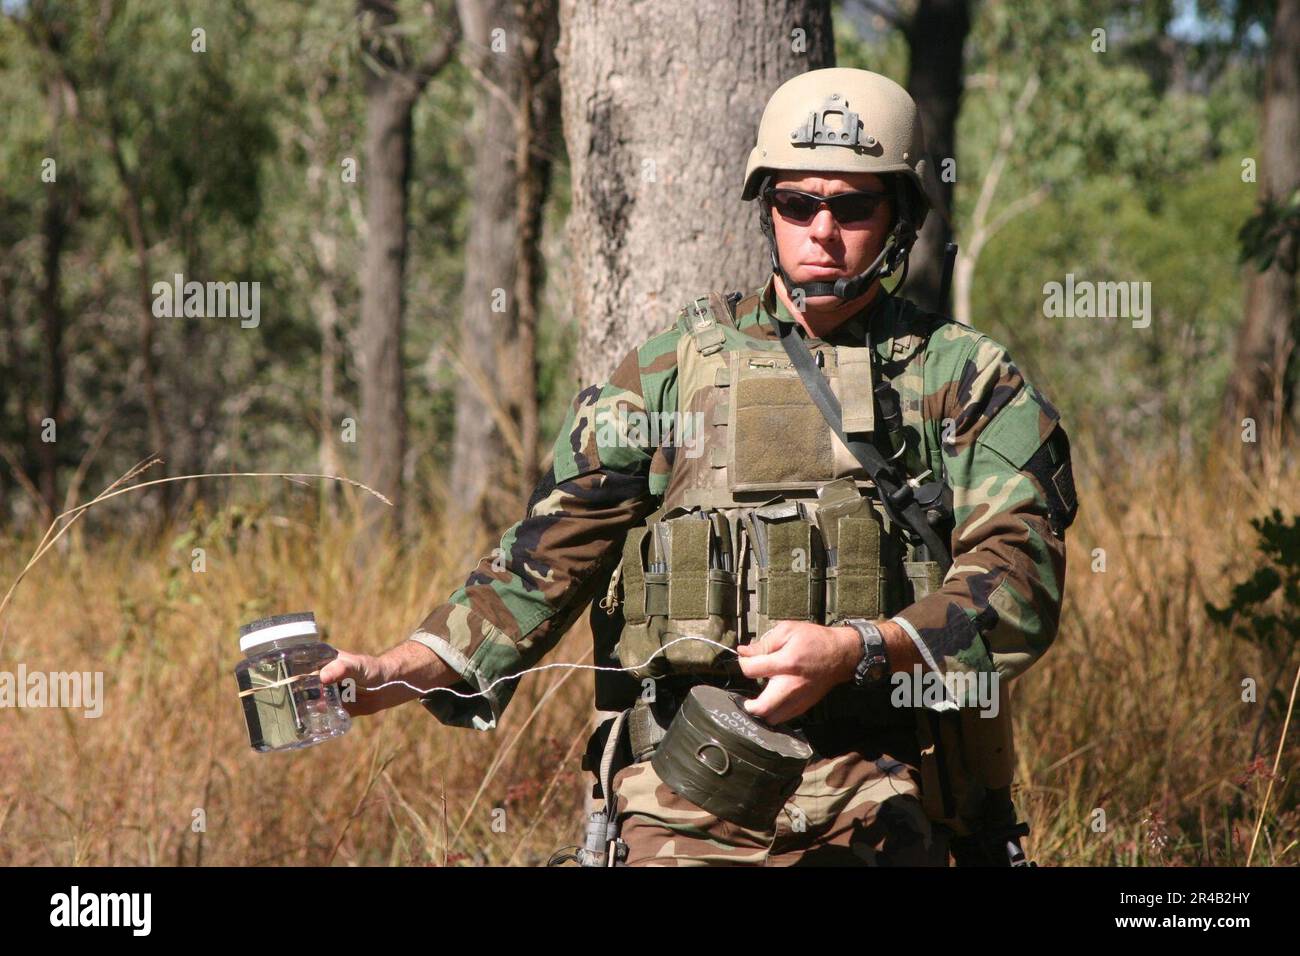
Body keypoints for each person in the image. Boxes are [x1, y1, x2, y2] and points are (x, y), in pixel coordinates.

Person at [321, 67, 1078, 866]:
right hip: (684, 790)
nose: (823, 229)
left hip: (890, 782)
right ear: (770, 211)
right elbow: (545, 558)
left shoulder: (965, 377)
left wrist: (858, 647)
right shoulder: (671, 368)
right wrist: (397, 672)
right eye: (798, 204)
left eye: (853, 206)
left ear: (900, 217)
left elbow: (1019, 582)